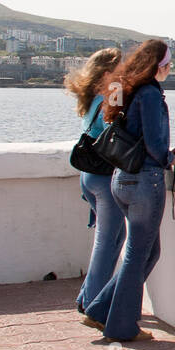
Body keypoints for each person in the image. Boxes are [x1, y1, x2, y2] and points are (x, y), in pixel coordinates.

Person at [81, 39, 175, 342]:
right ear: (160, 66)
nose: (170, 69)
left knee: (147, 251)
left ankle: (101, 309)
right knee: (137, 254)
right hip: (145, 181)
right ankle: (121, 325)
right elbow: (155, 147)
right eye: (169, 64)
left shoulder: (128, 90)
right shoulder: (150, 95)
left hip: (121, 178)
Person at [63, 47, 125, 314]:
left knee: (114, 237)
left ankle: (86, 296)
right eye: (121, 67)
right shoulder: (113, 93)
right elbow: (123, 132)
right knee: (107, 240)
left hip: (88, 176)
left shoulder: (89, 96)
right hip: (104, 176)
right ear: (109, 71)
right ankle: (93, 305)